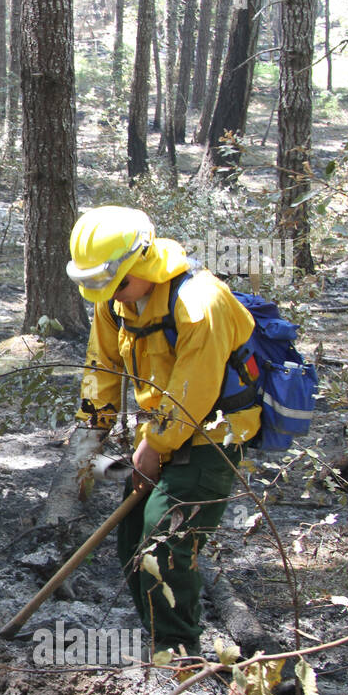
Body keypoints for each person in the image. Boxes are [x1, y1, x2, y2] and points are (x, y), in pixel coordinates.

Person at [66, 206, 261, 657]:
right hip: (159, 432)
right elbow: (103, 366)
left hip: (212, 436)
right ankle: (162, 639)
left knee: (165, 545)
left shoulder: (200, 303)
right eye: (98, 286)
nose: (110, 294)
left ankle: (179, 655)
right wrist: (91, 431)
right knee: (132, 545)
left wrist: (154, 446)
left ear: (144, 260)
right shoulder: (114, 303)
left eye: (117, 283)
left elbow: (193, 390)